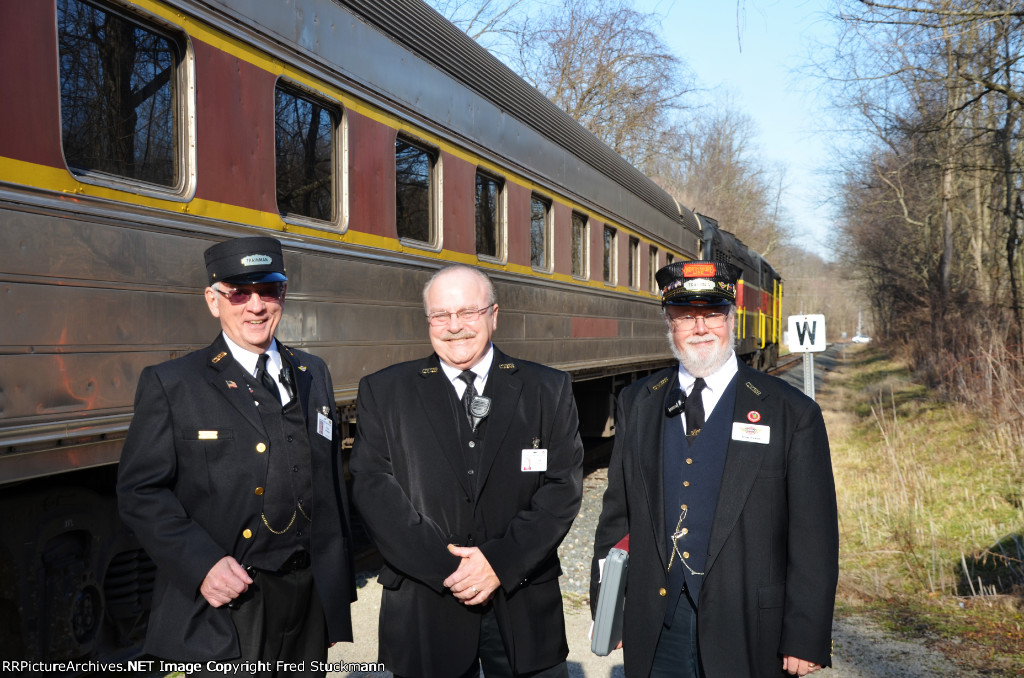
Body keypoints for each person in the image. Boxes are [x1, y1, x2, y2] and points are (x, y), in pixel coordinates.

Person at [117, 236, 355, 674]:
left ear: (283, 294)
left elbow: (331, 488)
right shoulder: (174, 383)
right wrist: (202, 565)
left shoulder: (312, 372)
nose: (256, 307)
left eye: (268, 290)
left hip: (307, 600)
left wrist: (335, 598)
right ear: (213, 300)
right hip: (229, 603)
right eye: (239, 293)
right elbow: (140, 492)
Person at [590, 260, 838, 678]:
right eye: (685, 316)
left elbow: (814, 535)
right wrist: (608, 604)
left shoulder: (791, 412)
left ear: (731, 319)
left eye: (712, 314)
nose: (700, 328)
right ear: (668, 323)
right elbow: (618, 514)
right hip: (657, 623)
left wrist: (806, 633)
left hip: (750, 627)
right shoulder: (638, 402)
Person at [350, 264, 584, 678]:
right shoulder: (384, 392)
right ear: (428, 321)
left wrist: (499, 562)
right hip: (426, 604)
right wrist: (449, 570)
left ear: (494, 315)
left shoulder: (548, 389)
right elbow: (373, 489)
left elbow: (561, 488)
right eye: (441, 315)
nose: (454, 326)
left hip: (522, 602)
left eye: (468, 312)